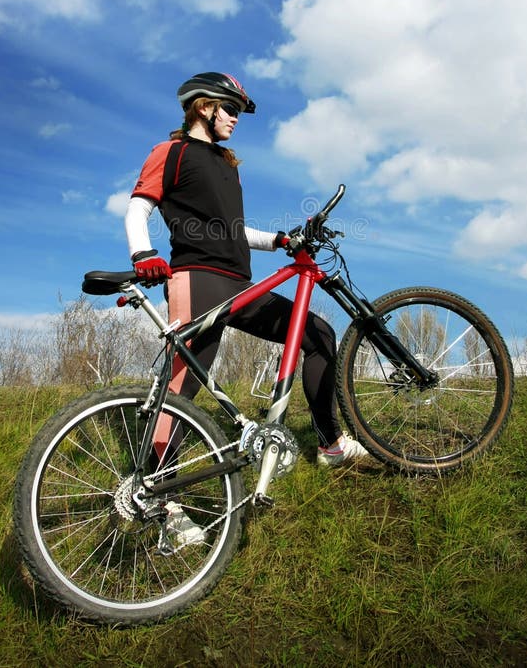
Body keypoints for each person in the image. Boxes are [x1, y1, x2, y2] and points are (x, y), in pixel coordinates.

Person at [125, 71, 367, 472]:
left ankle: (331, 445)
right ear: (204, 107)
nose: (235, 118)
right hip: (197, 281)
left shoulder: (227, 164)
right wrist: (142, 254)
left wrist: (279, 241)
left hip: (239, 285)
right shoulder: (171, 151)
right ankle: (153, 490)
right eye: (230, 109)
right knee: (181, 387)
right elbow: (138, 206)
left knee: (319, 334)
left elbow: (232, 229)